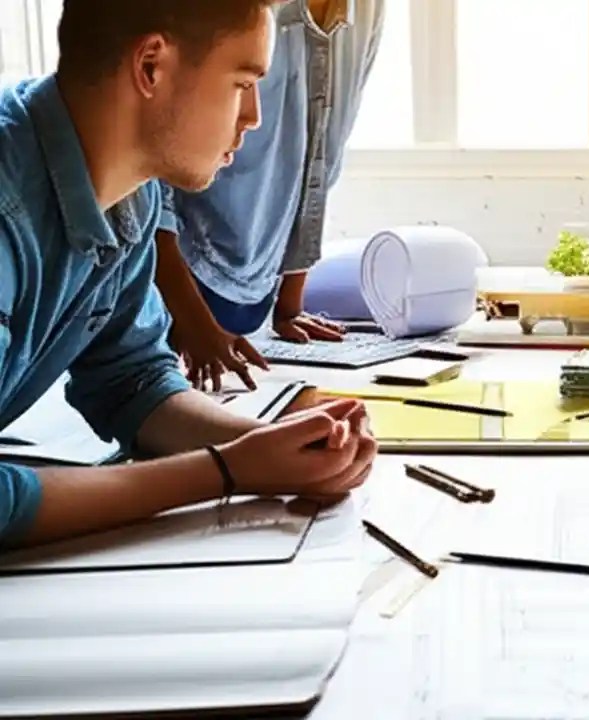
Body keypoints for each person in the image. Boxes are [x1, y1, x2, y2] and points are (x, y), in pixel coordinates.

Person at [0, 0, 376, 549]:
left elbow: (133, 382)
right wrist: (224, 472)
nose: (253, 118)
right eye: (241, 83)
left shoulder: (131, 191)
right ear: (152, 66)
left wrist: (279, 446)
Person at [155, 0, 386, 391]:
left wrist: (289, 305)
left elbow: (322, 150)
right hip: (174, 279)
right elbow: (152, 176)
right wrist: (192, 320)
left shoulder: (368, 9)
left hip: (255, 300)